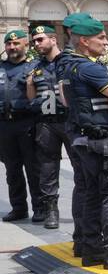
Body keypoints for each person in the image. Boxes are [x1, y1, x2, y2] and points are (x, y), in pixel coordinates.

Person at [61, 14, 108, 270]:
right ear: (84, 40)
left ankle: (92, 249)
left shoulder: (68, 65)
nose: (106, 42)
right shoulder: (89, 67)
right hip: (99, 141)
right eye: (101, 37)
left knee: (92, 193)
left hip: (82, 139)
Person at [25, 25, 74, 230]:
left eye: (40, 39)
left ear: (53, 39)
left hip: (70, 121)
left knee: (82, 165)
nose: (36, 44)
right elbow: (31, 96)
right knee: (47, 168)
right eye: (34, 40)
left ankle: (86, 207)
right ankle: (51, 210)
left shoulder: (70, 61)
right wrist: (29, 84)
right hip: (46, 123)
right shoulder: (35, 66)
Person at [0, 29, 41, 222]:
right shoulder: (0, 67)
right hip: (5, 126)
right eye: (9, 44)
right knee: (12, 170)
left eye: (16, 43)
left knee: (34, 169)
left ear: (25, 45)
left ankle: (40, 209)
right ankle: (18, 208)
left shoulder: (34, 67)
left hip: (27, 124)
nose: (12, 47)